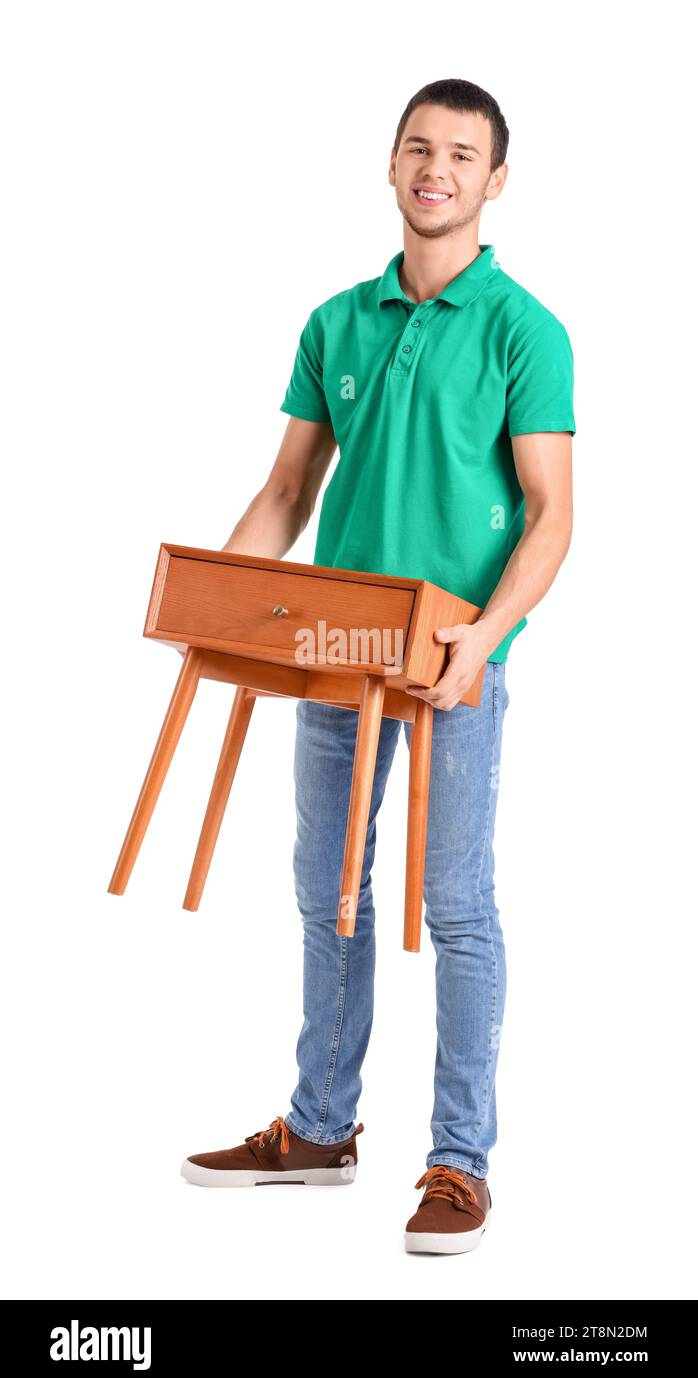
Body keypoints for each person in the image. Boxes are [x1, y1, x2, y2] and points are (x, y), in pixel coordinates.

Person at [180, 77, 576, 1256]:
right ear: (391, 164)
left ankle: (457, 1160)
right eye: (418, 147)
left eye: (462, 153)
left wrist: (484, 636)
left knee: (452, 904)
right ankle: (317, 1128)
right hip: (332, 645)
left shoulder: (523, 328)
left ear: (493, 180)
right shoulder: (336, 321)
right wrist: (221, 601)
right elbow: (287, 491)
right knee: (328, 894)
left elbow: (551, 514)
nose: (436, 167)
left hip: (452, 647)